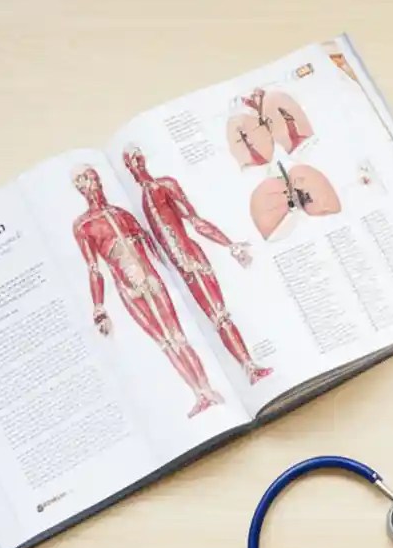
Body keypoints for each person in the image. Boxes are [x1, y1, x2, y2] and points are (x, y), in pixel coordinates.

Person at [70, 165, 222, 417]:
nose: (90, 184)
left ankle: (207, 390)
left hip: (152, 279)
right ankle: (198, 394)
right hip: (128, 289)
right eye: (83, 180)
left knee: (178, 337)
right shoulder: (83, 225)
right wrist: (99, 307)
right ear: (78, 187)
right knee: (165, 342)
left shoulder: (124, 214)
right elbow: (93, 267)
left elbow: (154, 248)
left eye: (92, 177)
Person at [123, 146, 273, 385]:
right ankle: (246, 368)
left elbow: (195, 221)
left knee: (219, 316)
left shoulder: (165, 185)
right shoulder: (142, 200)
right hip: (179, 269)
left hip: (191, 259)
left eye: (138, 157)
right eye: (131, 161)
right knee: (212, 320)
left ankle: (250, 367)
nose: (136, 163)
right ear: (128, 169)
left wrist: (230, 244)